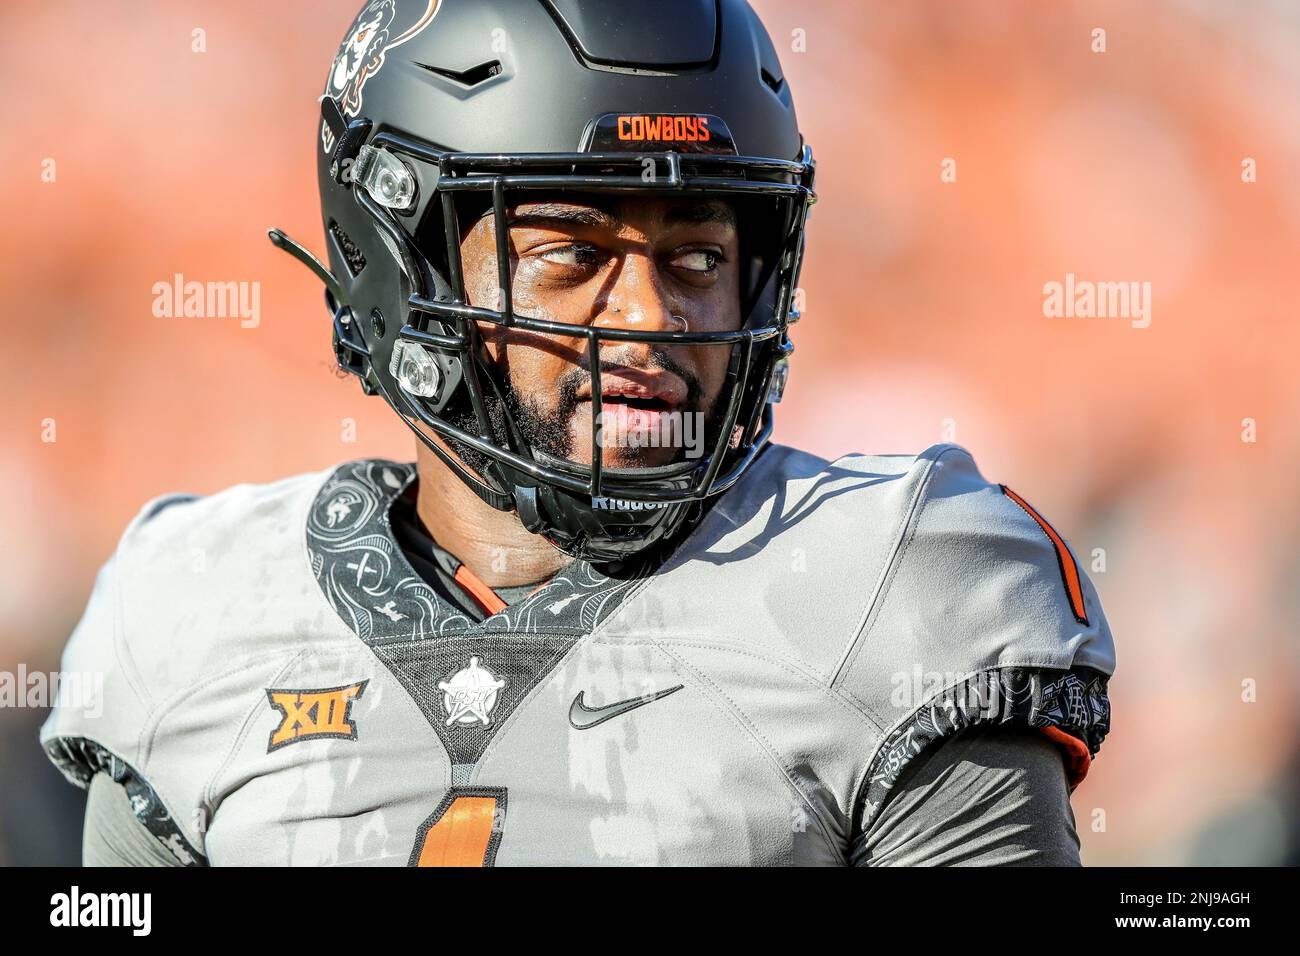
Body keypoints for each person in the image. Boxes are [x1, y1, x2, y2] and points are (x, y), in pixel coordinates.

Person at [41, 0, 1113, 866]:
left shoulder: (888, 587)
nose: (651, 319)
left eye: (696, 257)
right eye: (571, 253)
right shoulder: (198, 616)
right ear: (398, 266)